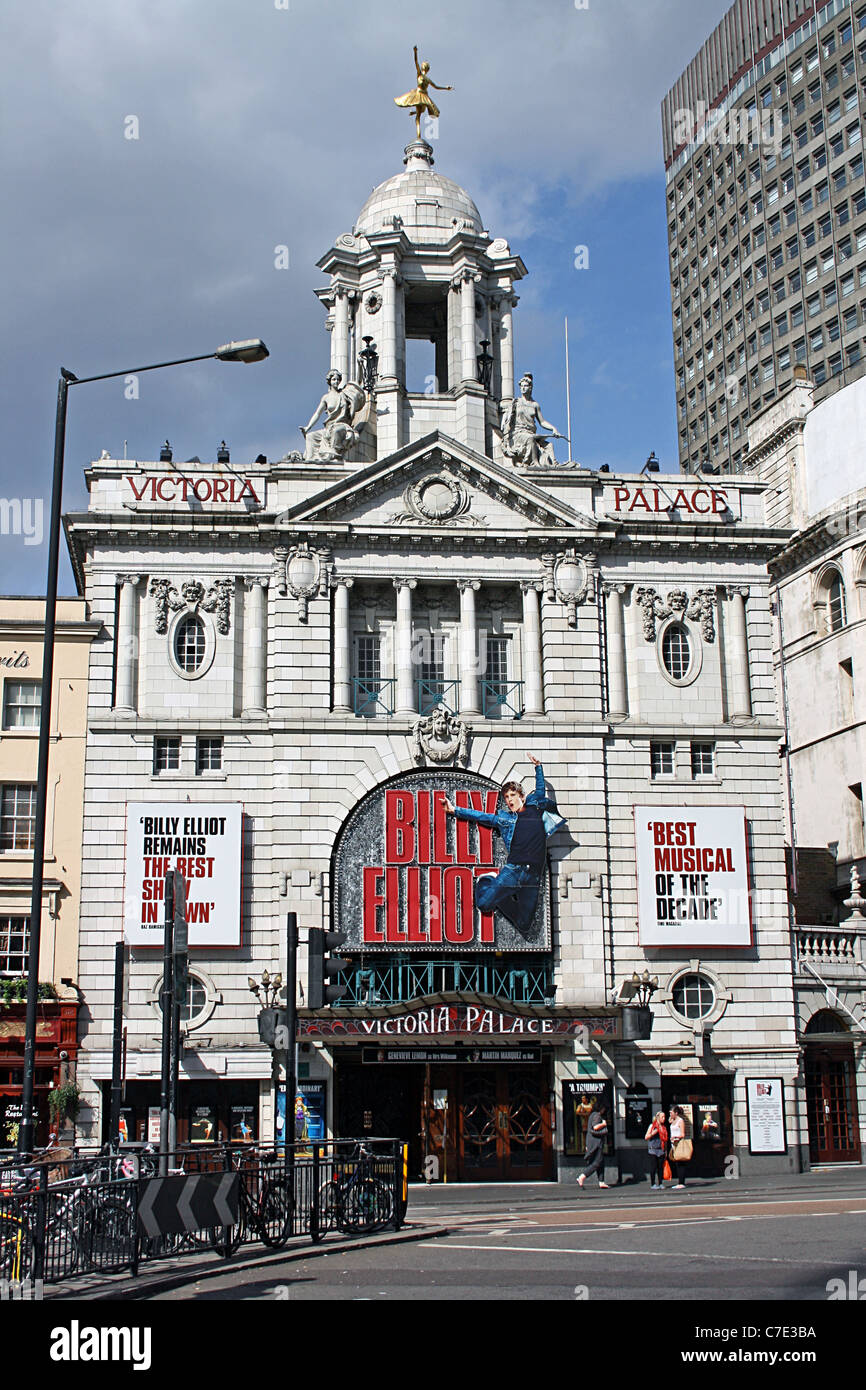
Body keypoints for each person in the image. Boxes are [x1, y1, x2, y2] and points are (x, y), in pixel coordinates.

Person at [442, 754, 564, 932]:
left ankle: (500, 893)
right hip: (513, 871)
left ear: (522, 796)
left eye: (513, 795)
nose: (510, 800)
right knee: (484, 904)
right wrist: (455, 810)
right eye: (506, 797)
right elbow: (482, 816)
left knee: (524, 924)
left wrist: (538, 767)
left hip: (533, 876)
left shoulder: (535, 808)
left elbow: (539, 790)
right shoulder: (505, 819)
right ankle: (487, 880)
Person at [500, 373, 566, 467]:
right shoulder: (515, 403)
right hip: (518, 433)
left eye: (525, 386)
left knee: (549, 445)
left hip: (531, 433)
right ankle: (534, 463)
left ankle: (554, 464)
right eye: (521, 386)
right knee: (530, 439)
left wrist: (553, 429)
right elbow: (507, 420)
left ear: (530, 388)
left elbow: (542, 422)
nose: (523, 388)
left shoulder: (535, 405)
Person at [394, 45, 453, 140]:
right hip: (419, 94)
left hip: (424, 95)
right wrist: (415, 52)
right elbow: (416, 62)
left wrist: (446, 88)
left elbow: (436, 87)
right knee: (418, 116)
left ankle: (415, 115)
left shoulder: (426, 78)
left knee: (422, 111)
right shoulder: (420, 74)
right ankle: (418, 134)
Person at [577, 1102, 609, 1188]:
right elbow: (595, 1127)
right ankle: (582, 1176)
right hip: (596, 1142)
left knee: (601, 1162)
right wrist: (604, 1124)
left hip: (591, 1141)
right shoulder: (597, 1115)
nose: (604, 1110)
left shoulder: (591, 1115)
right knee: (597, 1162)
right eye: (603, 1109)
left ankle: (601, 1181)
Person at [645, 1110, 668, 1190]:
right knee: (653, 1167)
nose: (664, 1118)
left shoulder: (663, 1127)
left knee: (660, 1167)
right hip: (653, 1150)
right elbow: (646, 1137)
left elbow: (665, 1140)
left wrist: (665, 1150)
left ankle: (660, 1182)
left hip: (661, 1149)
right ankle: (653, 1183)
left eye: (664, 1117)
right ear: (658, 1118)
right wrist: (653, 1133)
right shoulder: (652, 1126)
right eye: (662, 1117)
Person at [668, 1105, 689, 1190]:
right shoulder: (673, 1120)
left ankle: (681, 1182)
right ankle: (680, 1181)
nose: (670, 1114)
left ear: (676, 1113)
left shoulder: (680, 1121)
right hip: (673, 1144)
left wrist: (675, 1137)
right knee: (677, 1162)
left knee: (680, 1163)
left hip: (679, 1144)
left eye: (671, 1112)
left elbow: (683, 1134)